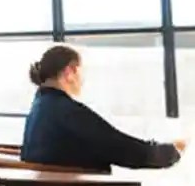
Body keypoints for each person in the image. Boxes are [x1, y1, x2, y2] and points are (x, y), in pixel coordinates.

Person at [20, 44, 183, 172]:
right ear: (70, 72)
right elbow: (121, 148)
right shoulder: (66, 112)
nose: (82, 80)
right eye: (80, 73)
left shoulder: (42, 106)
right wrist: (171, 151)